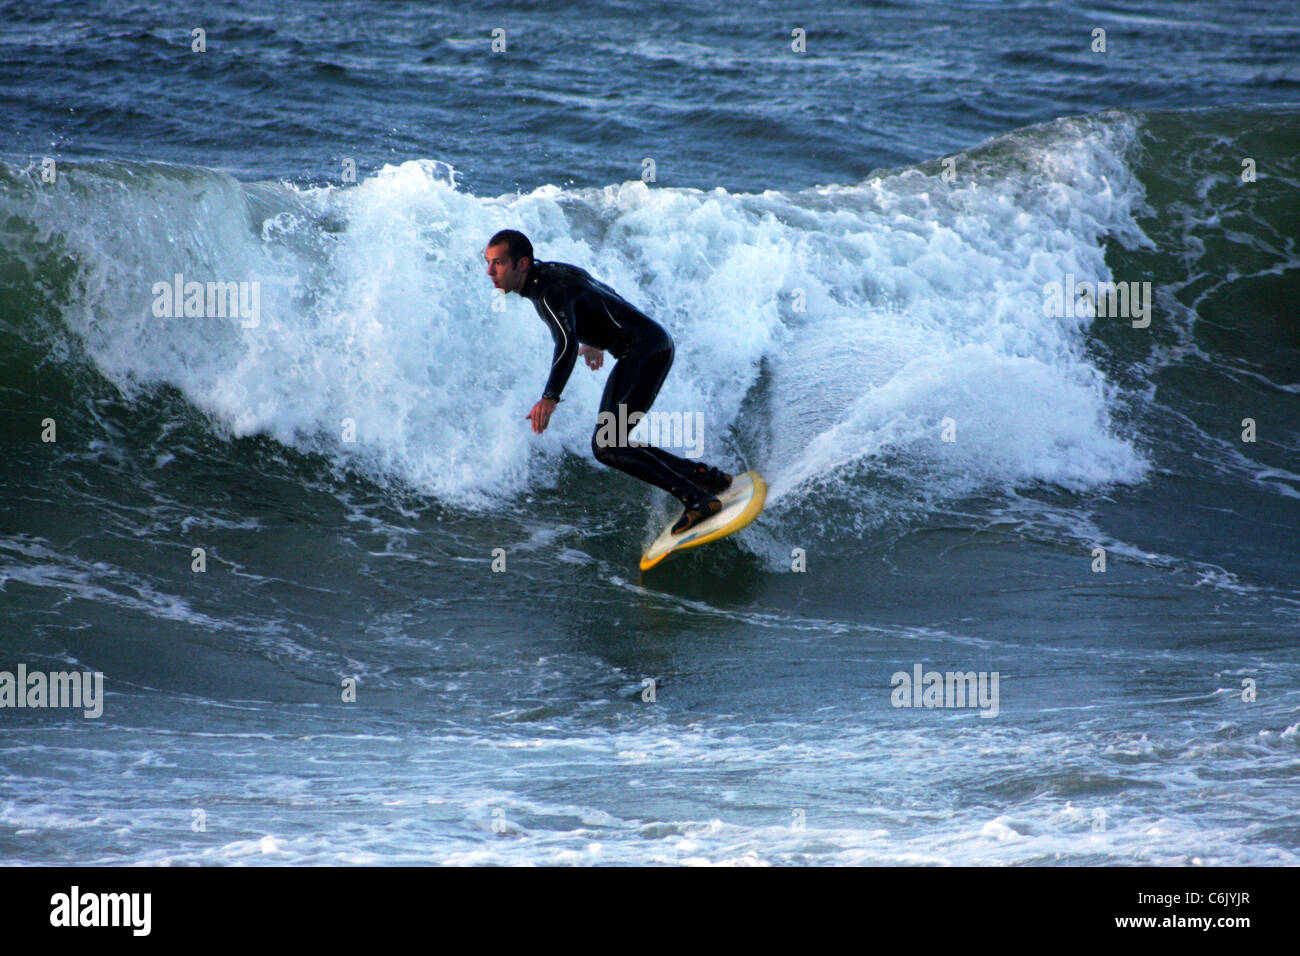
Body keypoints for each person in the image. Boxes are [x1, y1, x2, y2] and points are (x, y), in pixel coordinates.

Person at [484, 229, 733, 534]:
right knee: (615, 440)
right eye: (489, 263)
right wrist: (598, 341)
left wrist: (550, 397)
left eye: (498, 264)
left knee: (607, 446)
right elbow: (600, 294)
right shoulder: (553, 272)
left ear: (521, 264)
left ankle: (698, 499)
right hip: (650, 345)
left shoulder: (547, 293)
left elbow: (565, 342)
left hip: (641, 352)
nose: (490, 272)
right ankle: (706, 477)